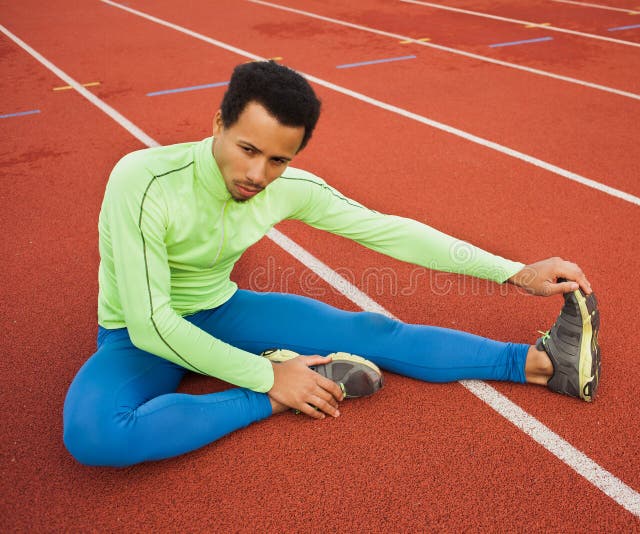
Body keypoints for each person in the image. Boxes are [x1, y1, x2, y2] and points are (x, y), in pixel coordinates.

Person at [62, 61, 601, 468]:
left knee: (375, 330)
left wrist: (513, 272)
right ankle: (268, 400)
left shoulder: (287, 187)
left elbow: (391, 232)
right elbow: (153, 323)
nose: (257, 173)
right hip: (136, 335)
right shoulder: (143, 180)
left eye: (278, 159)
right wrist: (270, 380)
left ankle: (538, 365)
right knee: (92, 435)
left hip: (218, 309)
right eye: (247, 148)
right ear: (218, 124)